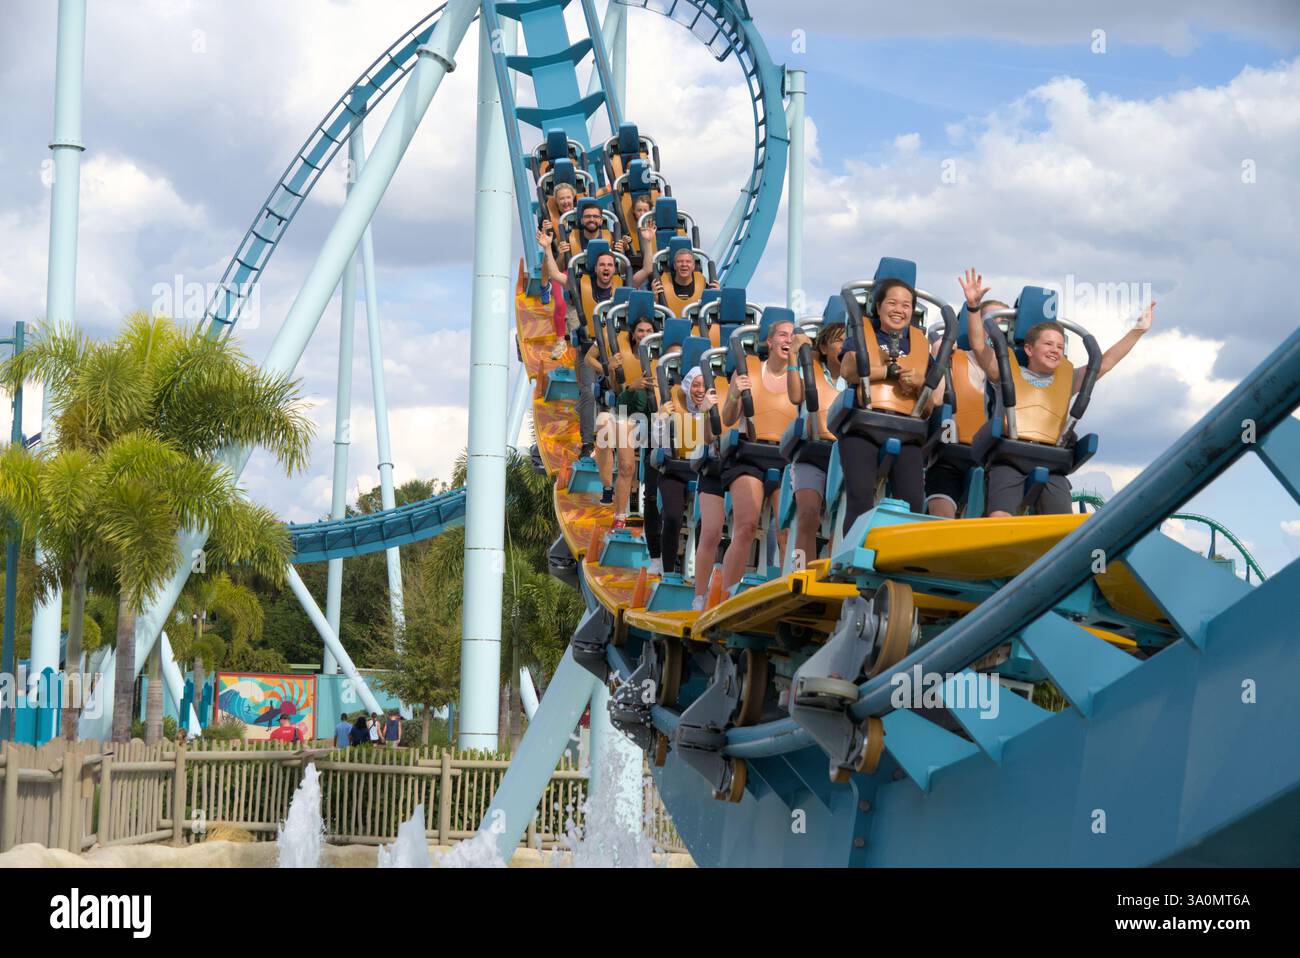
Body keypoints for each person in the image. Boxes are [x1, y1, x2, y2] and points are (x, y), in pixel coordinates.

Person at [960, 267, 1155, 517]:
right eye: (1048, 344)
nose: (1055, 350)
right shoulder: (1004, 371)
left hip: (1052, 462)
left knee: (1060, 524)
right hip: (1009, 458)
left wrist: (1137, 331)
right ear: (1028, 349)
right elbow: (978, 344)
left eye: (1060, 346)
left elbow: (1104, 363)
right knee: (1000, 516)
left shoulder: (1067, 379)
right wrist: (974, 307)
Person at [836, 278, 941, 533]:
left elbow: (935, 398)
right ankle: (851, 556)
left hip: (907, 429)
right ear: (878, 307)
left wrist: (920, 383)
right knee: (861, 499)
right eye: (892, 303)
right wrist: (887, 371)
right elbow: (848, 370)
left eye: (906, 305)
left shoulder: (919, 343)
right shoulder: (862, 334)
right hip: (865, 424)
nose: (899, 310)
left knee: (912, 504)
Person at [717, 313, 797, 593]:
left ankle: (787, 592)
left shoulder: (799, 377)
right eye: (782, 335)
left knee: (786, 532)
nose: (788, 340)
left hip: (785, 456)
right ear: (769, 341)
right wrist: (735, 394)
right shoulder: (748, 371)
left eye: (792, 335)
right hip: (750, 454)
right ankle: (727, 593)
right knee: (747, 527)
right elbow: (727, 419)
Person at [785, 321, 846, 564]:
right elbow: (795, 396)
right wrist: (793, 356)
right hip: (812, 452)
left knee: (843, 515)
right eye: (838, 340)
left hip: (844, 452)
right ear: (823, 347)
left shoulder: (856, 377)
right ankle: (801, 570)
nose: (844, 346)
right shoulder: (810, 370)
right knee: (808, 514)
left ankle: (834, 567)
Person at [587, 314, 657, 527]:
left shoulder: (660, 357)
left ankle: (635, 510)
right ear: (634, 334)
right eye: (640, 331)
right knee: (627, 466)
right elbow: (618, 395)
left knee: (640, 471)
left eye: (648, 331)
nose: (644, 335)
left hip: (653, 416)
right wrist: (627, 383)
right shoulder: (621, 354)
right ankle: (620, 515)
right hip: (626, 413)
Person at [657, 365, 714, 576]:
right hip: (675, 468)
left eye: (704, 386)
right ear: (688, 387)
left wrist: (707, 412)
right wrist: (661, 418)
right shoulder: (672, 407)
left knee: (705, 523)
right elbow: (656, 440)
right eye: (696, 385)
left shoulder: (712, 409)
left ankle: (701, 575)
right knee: (672, 518)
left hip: (703, 470)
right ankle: (668, 571)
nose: (700, 390)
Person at [574, 250, 623, 460]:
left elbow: (647, 270)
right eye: (602, 264)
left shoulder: (622, 290)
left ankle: (611, 444)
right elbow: (559, 278)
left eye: (610, 265)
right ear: (595, 268)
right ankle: (587, 443)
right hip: (590, 349)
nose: (605, 268)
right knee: (588, 392)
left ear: (614, 268)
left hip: (613, 349)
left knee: (617, 394)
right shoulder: (585, 286)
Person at [649, 247, 718, 314]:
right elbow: (656, 313)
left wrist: (717, 295)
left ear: (693, 266)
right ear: (675, 266)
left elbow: (712, 311)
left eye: (688, 262)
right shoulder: (661, 285)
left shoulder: (704, 286)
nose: (684, 264)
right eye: (680, 261)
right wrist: (655, 299)